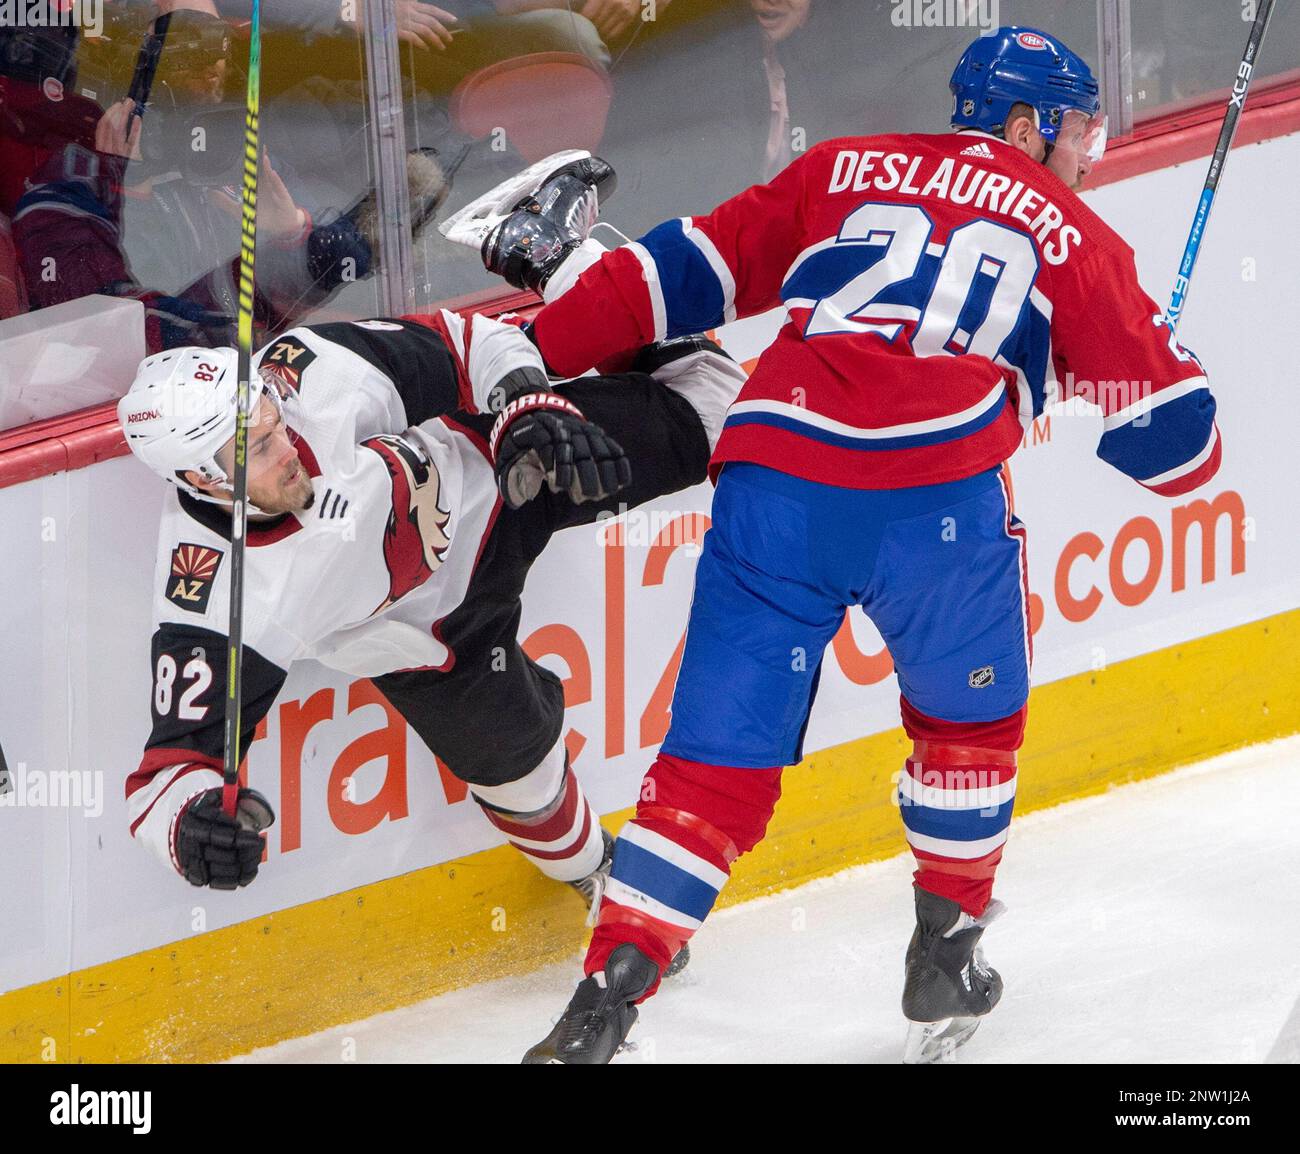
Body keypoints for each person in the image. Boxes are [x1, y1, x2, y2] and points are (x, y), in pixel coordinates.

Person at [458, 26, 1223, 1062]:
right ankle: (943, 949)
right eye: (1079, 126)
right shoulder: (1072, 231)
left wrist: (527, 357)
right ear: (1026, 123)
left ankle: (606, 994)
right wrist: (1149, 362)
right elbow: (1180, 458)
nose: (1088, 149)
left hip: (775, 479)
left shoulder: (840, 166)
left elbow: (671, 276)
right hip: (935, 503)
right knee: (969, 726)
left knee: (710, 767)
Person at [117, 161, 743, 963]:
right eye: (259, 451)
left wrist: (526, 403)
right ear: (200, 480)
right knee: (522, 780)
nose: (288, 445)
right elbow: (168, 772)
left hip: (496, 469)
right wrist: (192, 828)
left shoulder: (306, 374)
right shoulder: (220, 596)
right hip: (427, 636)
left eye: (272, 420)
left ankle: (546, 254)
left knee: (723, 414)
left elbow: (465, 341)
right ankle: (598, 876)